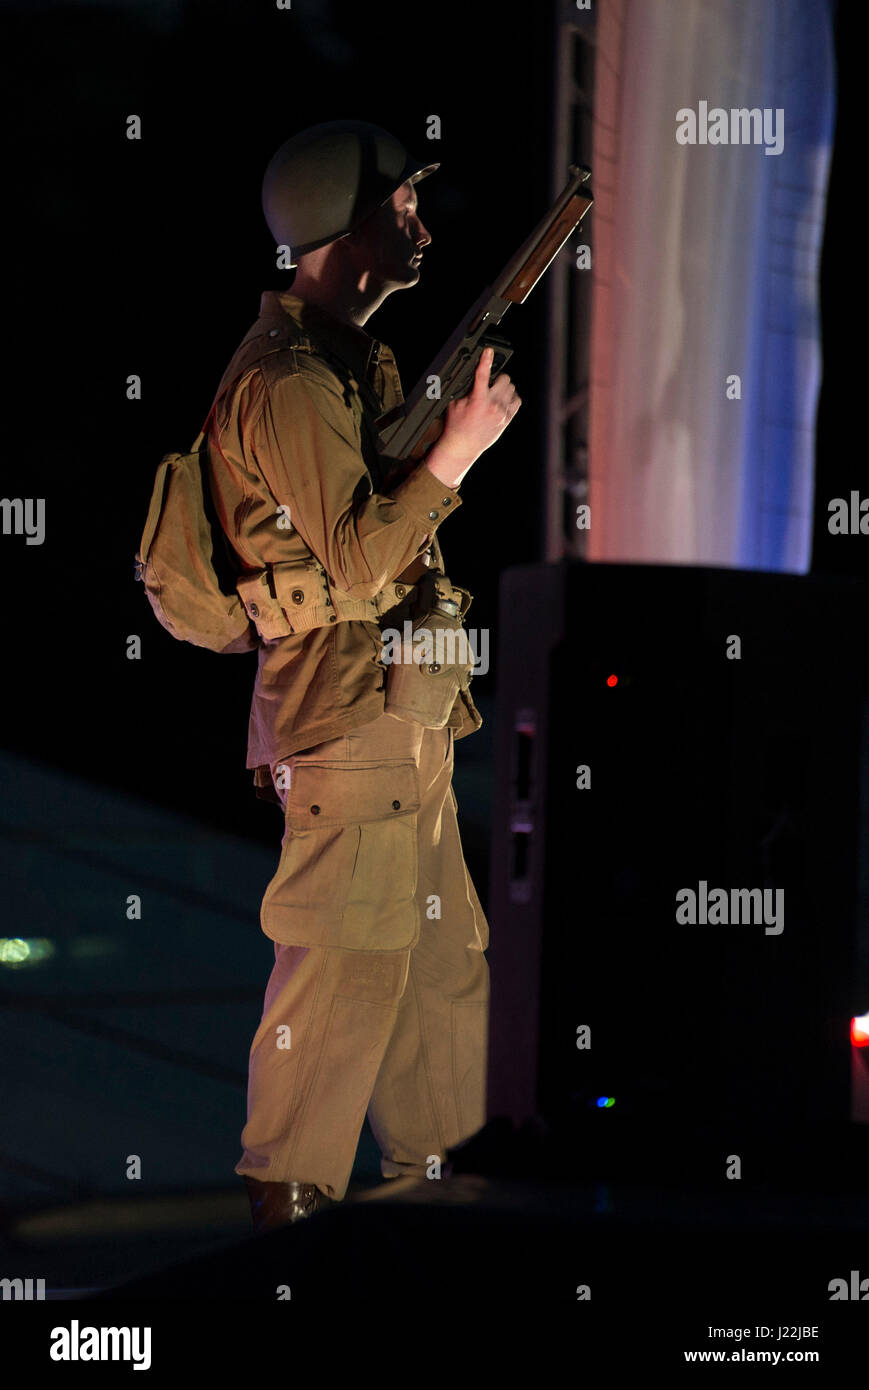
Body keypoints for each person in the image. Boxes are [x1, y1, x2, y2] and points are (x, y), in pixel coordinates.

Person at [203, 121, 521, 1229]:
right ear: (345, 227)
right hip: (345, 732)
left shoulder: (349, 361)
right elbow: (359, 555)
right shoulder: (286, 381)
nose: (418, 226)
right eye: (398, 210)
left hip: (403, 724)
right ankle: (281, 1246)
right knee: (339, 975)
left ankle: (451, 1202)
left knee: (439, 983)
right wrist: (457, 451)